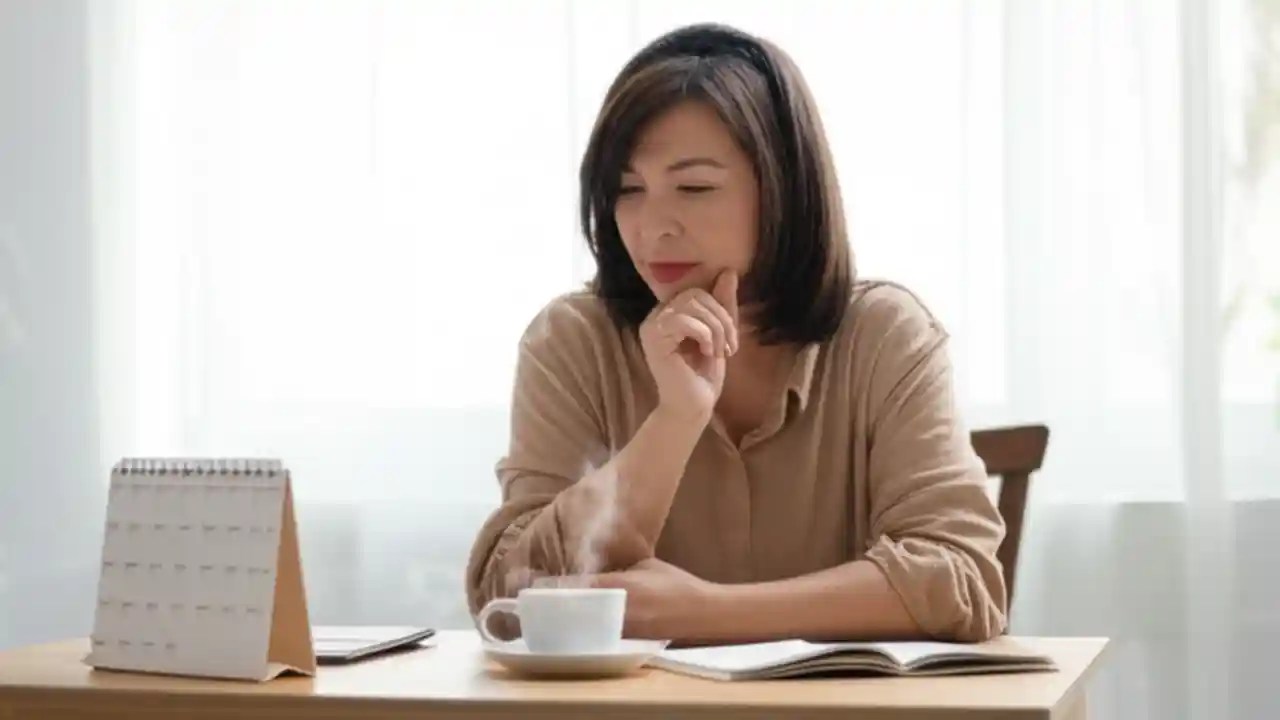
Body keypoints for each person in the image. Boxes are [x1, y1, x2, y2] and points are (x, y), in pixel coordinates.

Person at [465, 22, 1007, 644]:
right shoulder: (571, 341)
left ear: (783, 189)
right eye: (628, 190)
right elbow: (508, 594)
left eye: (694, 187)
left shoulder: (886, 335)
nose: (652, 227)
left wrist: (707, 613)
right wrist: (675, 420)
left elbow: (963, 579)